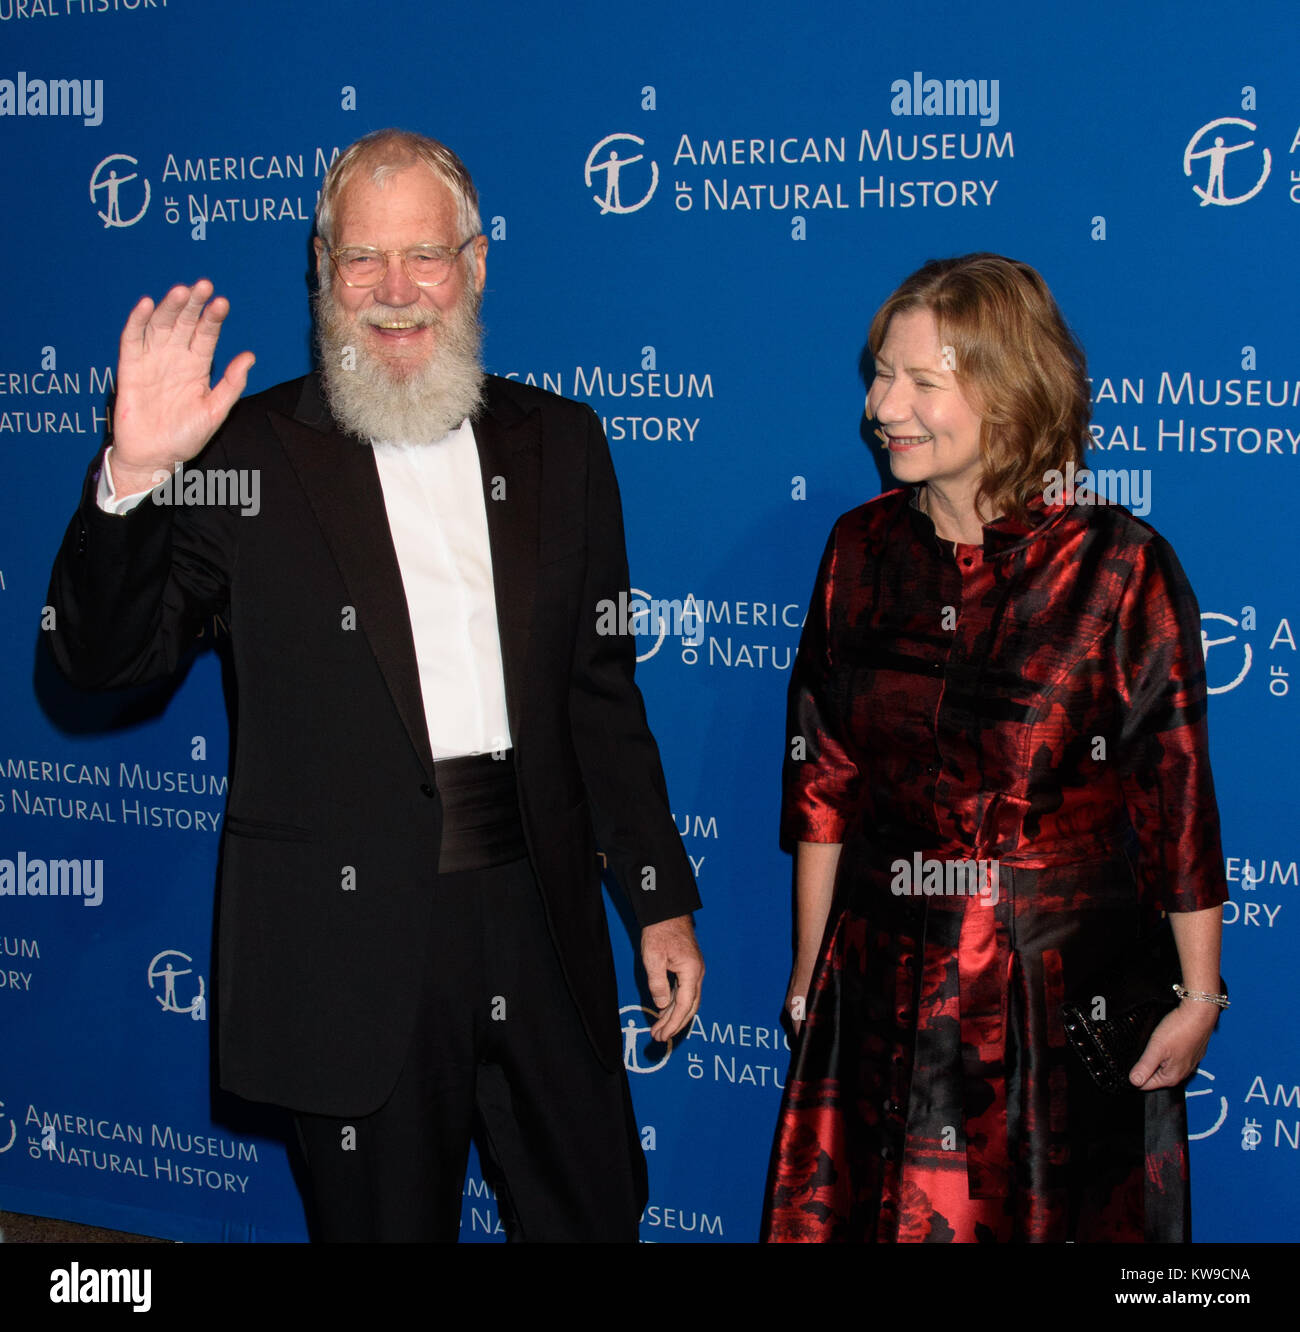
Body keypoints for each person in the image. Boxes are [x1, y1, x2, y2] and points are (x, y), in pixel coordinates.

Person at [47, 128, 703, 1243]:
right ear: (320, 267)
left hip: (539, 916)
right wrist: (135, 479)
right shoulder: (246, 453)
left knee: (595, 1215)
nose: (395, 293)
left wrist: (656, 898)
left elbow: (598, 696)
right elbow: (101, 664)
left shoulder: (564, 443)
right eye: (362, 261)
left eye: (425, 257)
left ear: (476, 263)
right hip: (351, 942)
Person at [762, 254, 1227, 1243]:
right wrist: (811, 972)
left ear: (1010, 397)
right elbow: (824, 783)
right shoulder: (858, 550)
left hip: (1048, 1000)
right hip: (876, 981)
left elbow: (1175, 795)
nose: (883, 406)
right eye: (881, 374)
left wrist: (1198, 995)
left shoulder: (1117, 566)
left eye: (923, 382)